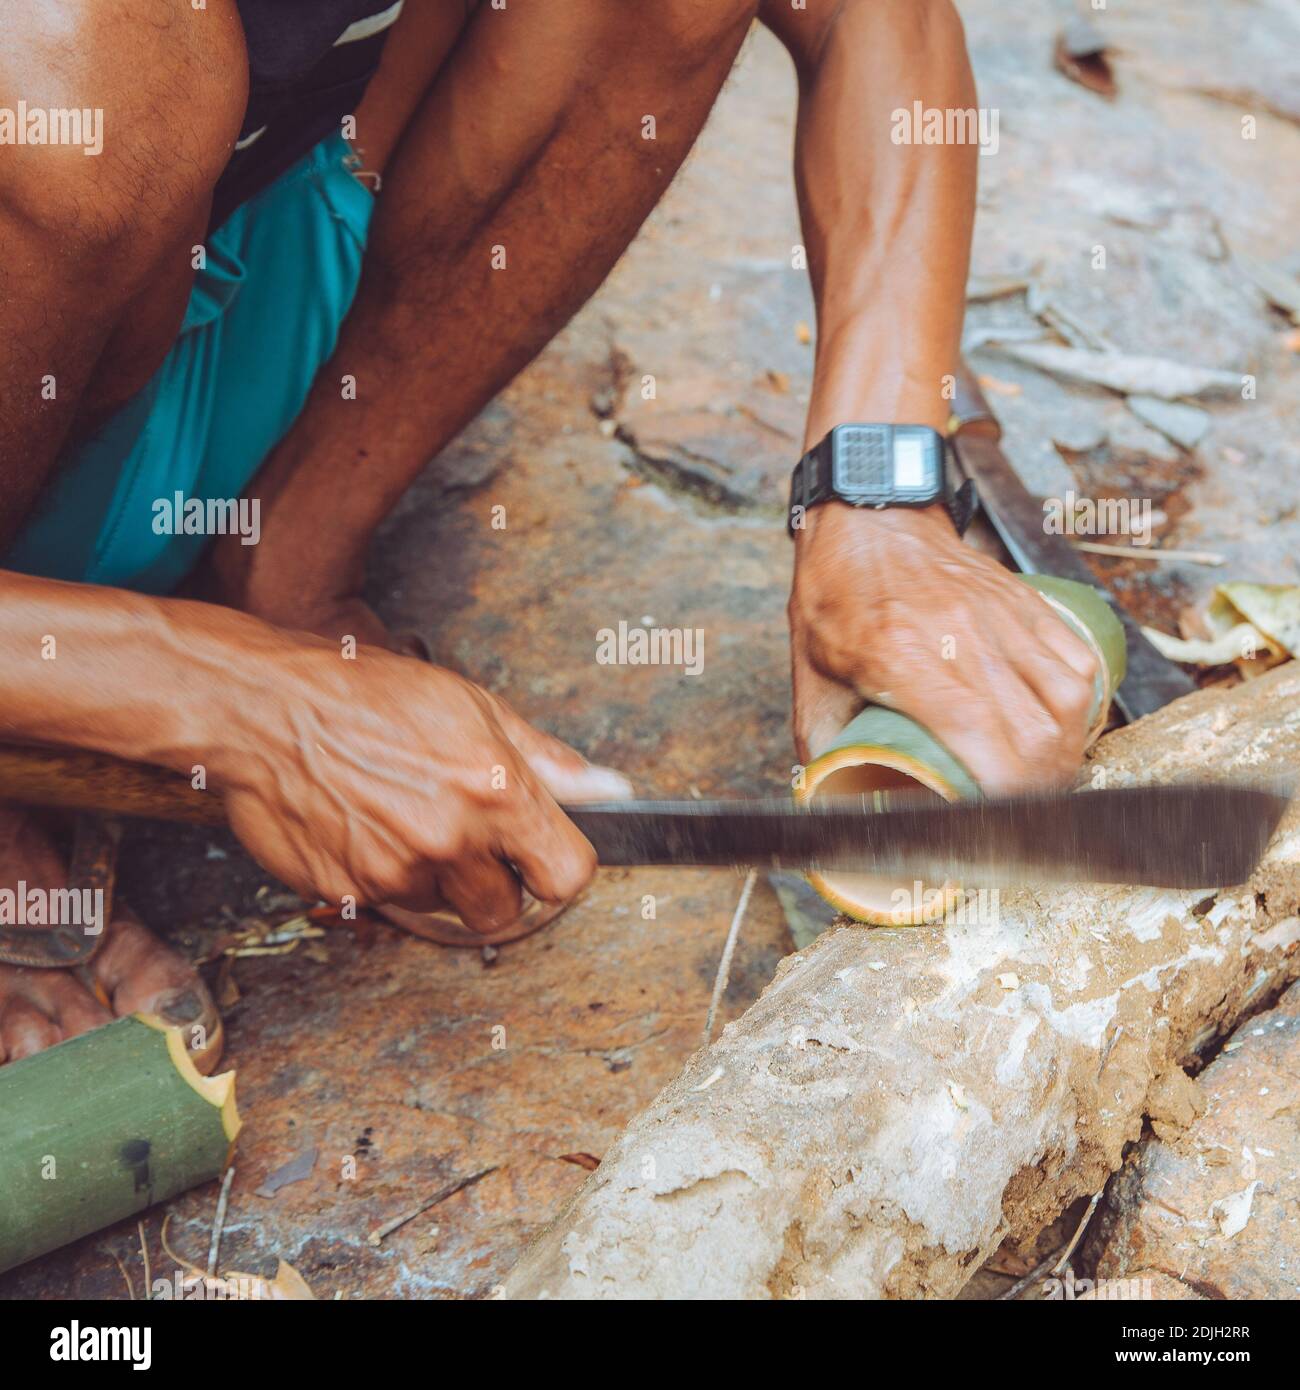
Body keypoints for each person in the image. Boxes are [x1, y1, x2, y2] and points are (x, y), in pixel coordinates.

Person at [0, 0, 1096, 1068]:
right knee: (78, 66)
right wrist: (239, 700)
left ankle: (286, 558)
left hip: (253, 269)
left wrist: (879, 493)